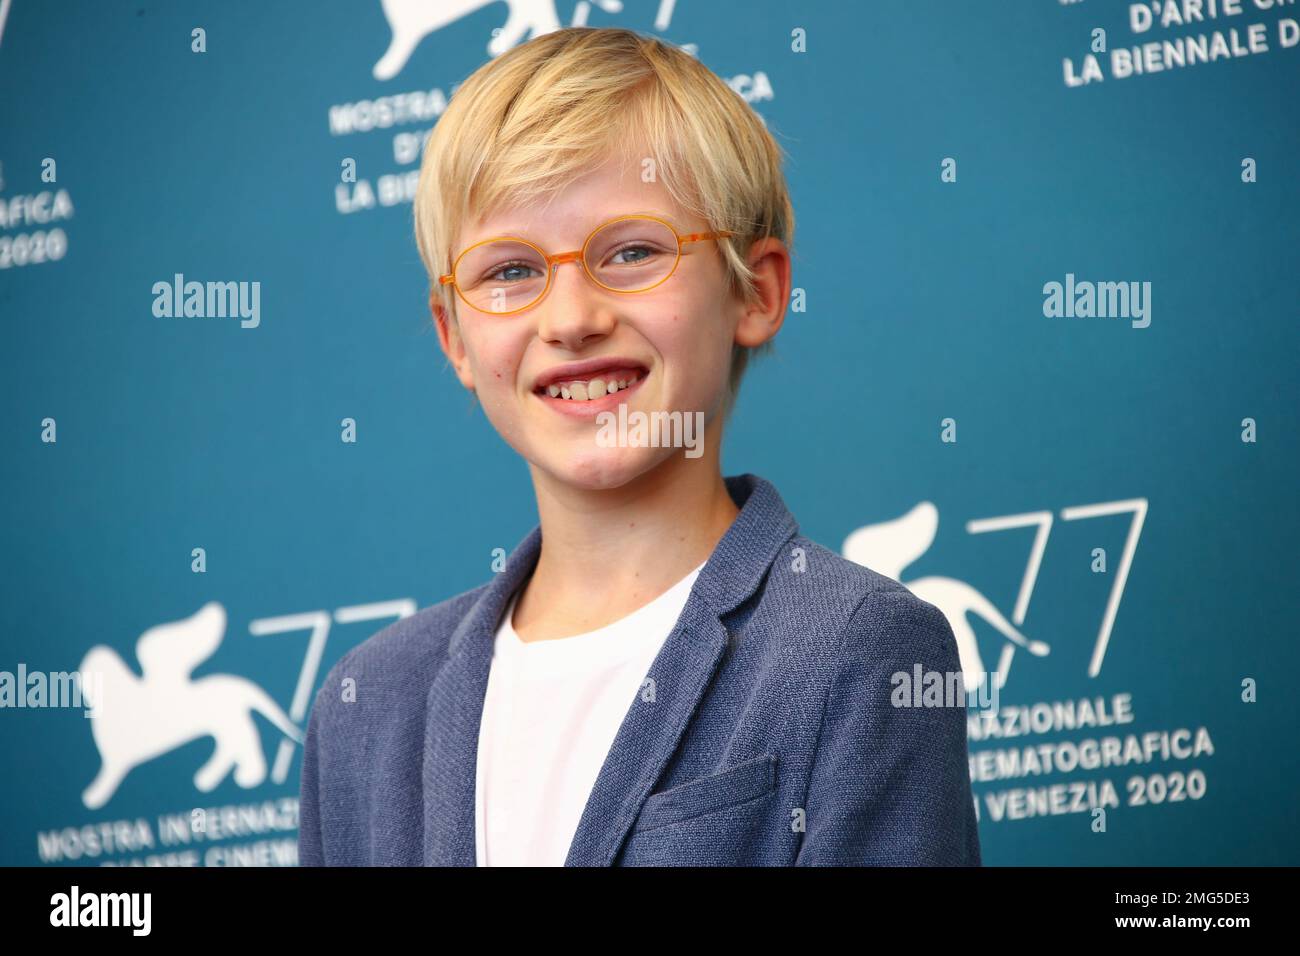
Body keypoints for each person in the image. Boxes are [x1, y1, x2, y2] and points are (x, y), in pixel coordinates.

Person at [299, 26, 980, 867]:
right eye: (509, 271)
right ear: (455, 337)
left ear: (756, 292)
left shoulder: (855, 649)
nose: (571, 319)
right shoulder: (366, 706)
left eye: (632, 252)